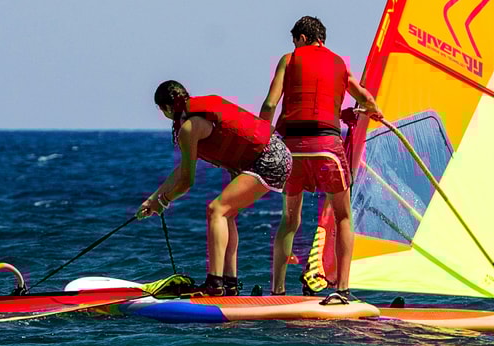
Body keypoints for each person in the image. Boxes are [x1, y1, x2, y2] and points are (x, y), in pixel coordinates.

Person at [259, 16, 382, 302]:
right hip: (327, 147)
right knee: (343, 217)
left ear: (302, 38)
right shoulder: (340, 64)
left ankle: (277, 290)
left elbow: (269, 103)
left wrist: (262, 140)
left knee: (289, 220)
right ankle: (343, 290)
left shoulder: (289, 60)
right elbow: (366, 99)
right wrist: (370, 112)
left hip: (291, 148)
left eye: (294, 41)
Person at [138, 80, 293, 296]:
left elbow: (186, 182)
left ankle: (214, 283)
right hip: (278, 153)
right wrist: (153, 198)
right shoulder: (196, 120)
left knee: (216, 210)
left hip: (269, 158)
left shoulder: (189, 128)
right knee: (226, 214)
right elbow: (182, 169)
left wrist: (164, 201)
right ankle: (229, 282)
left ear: (165, 109)